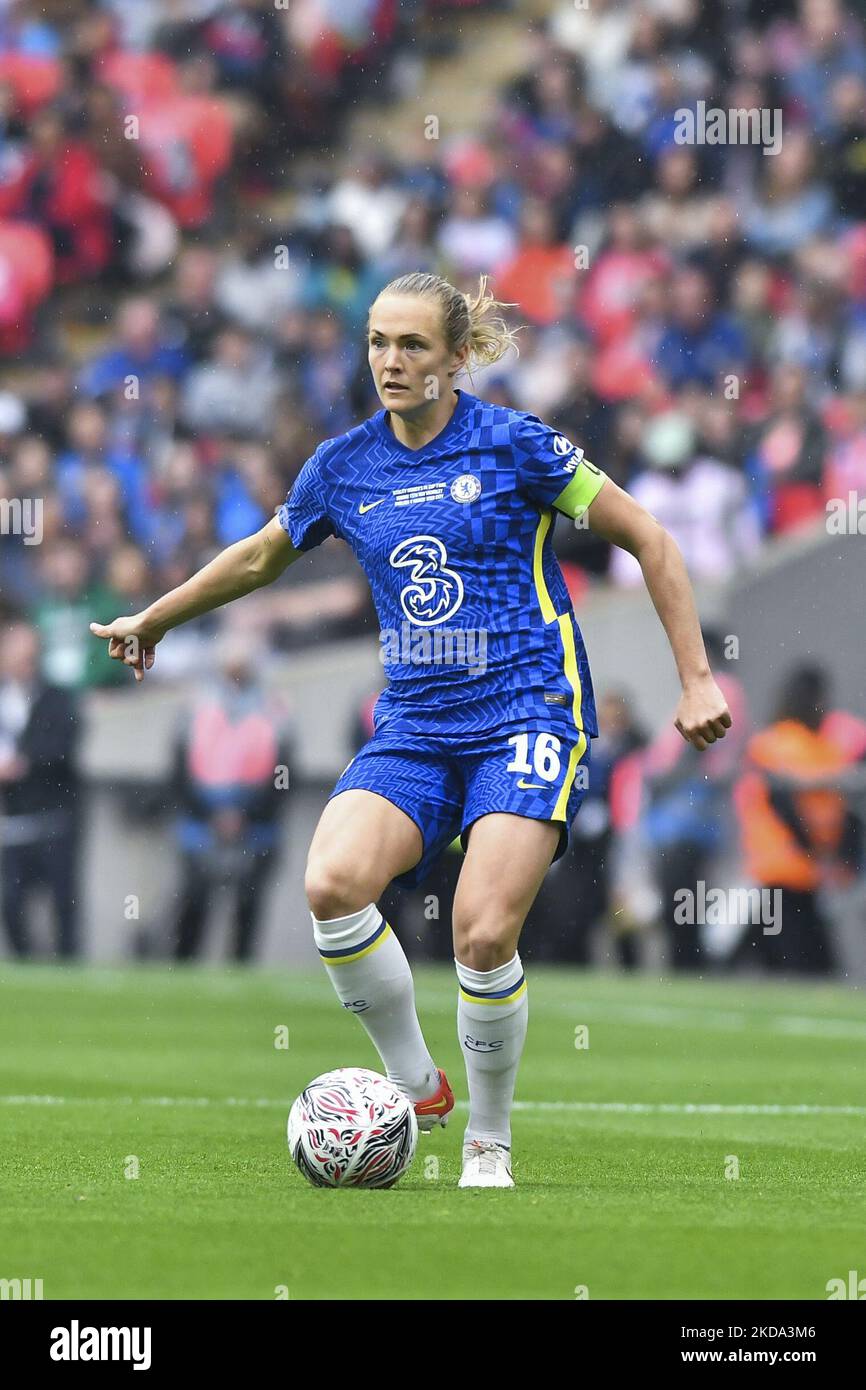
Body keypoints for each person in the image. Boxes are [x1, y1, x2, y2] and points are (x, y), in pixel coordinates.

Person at [91, 271, 732, 1188]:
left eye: (413, 346)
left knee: (479, 933)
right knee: (332, 883)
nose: (390, 361)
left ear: (456, 358)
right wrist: (156, 618)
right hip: (418, 723)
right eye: (378, 343)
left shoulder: (519, 446)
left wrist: (696, 678)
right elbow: (261, 556)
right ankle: (415, 1082)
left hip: (527, 711)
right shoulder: (344, 464)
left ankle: (489, 1141)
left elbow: (652, 541)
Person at [0, 620, 81, 958]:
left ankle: (67, 968)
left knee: (63, 902)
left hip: (51, 819)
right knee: (12, 904)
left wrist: (24, 763)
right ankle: (25, 964)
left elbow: (64, 746)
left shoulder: (57, 698)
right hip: (12, 821)